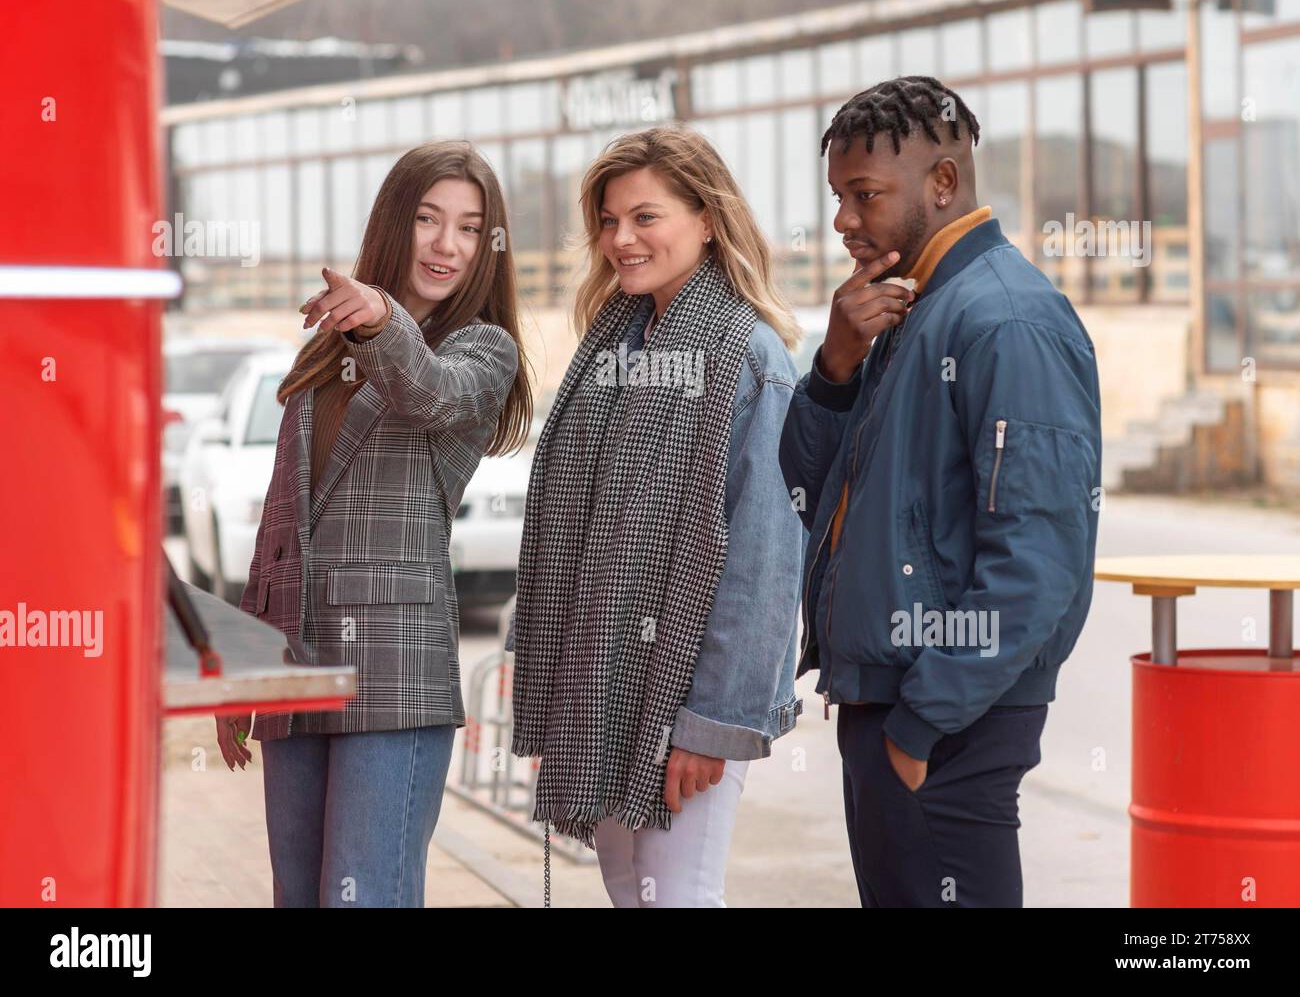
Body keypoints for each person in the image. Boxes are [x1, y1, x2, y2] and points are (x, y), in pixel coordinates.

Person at [780, 75, 1102, 908]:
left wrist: (921, 724)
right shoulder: (902, 311)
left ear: (944, 182)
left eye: (865, 195)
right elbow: (806, 494)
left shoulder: (1006, 318)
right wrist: (834, 368)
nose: (844, 220)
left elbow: (1039, 558)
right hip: (893, 703)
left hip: (945, 721)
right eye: (839, 197)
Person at [217, 141, 531, 908]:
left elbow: (430, 391)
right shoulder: (328, 348)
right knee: (298, 894)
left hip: (392, 671)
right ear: (396, 222)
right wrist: (241, 662)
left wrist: (385, 319)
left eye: (468, 226)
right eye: (427, 219)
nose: (446, 244)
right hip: (295, 667)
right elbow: (281, 526)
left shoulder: (483, 349)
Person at [510, 124, 805, 907]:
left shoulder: (750, 357)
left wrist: (712, 722)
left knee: (676, 900)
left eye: (646, 216)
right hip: (602, 687)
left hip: (687, 697)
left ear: (707, 218)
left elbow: (767, 558)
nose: (620, 239)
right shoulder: (611, 346)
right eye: (609, 221)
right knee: (630, 895)